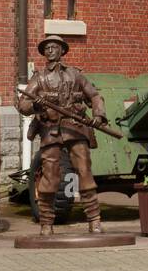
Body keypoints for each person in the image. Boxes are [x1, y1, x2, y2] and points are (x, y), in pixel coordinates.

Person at [15, 35, 109, 235]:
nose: (50, 50)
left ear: (62, 51)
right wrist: (34, 105)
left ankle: (94, 220)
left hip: (75, 128)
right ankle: (46, 224)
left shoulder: (75, 75)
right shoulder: (38, 78)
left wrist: (99, 115)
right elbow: (22, 105)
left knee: (84, 171)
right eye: (46, 48)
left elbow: (94, 95)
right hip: (51, 130)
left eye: (54, 47)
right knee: (50, 175)